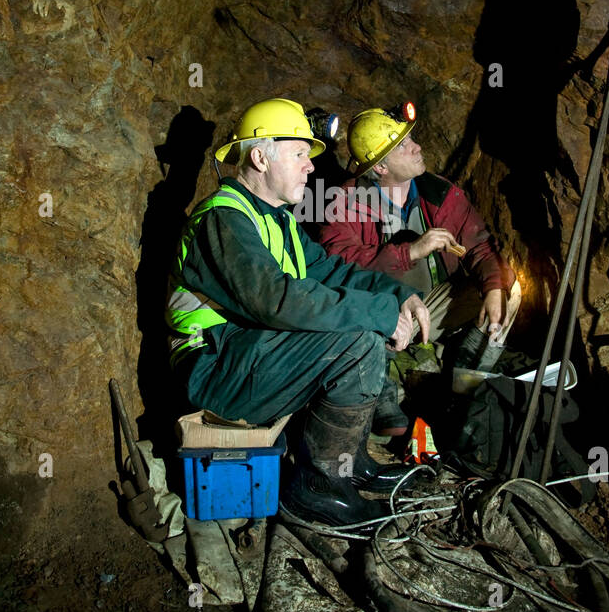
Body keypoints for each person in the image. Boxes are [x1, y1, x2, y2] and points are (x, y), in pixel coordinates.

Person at [165, 98, 430, 526]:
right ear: (259, 158)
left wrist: (398, 296)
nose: (311, 166)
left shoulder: (279, 222)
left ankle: (349, 463)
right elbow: (278, 300)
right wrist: (378, 314)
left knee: (360, 322)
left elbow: (332, 272)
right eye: (300, 154)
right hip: (214, 369)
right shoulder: (222, 221)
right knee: (358, 336)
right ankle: (317, 489)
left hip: (248, 355)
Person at [319, 103, 520, 434]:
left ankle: (463, 382)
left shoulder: (438, 193)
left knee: (508, 289)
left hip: (435, 307)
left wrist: (494, 289)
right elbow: (335, 262)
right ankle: (380, 383)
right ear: (381, 166)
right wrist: (409, 251)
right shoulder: (348, 200)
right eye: (403, 145)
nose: (418, 147)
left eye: (411, 139)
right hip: (385, 316)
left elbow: (482, 246)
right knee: (355, 303)